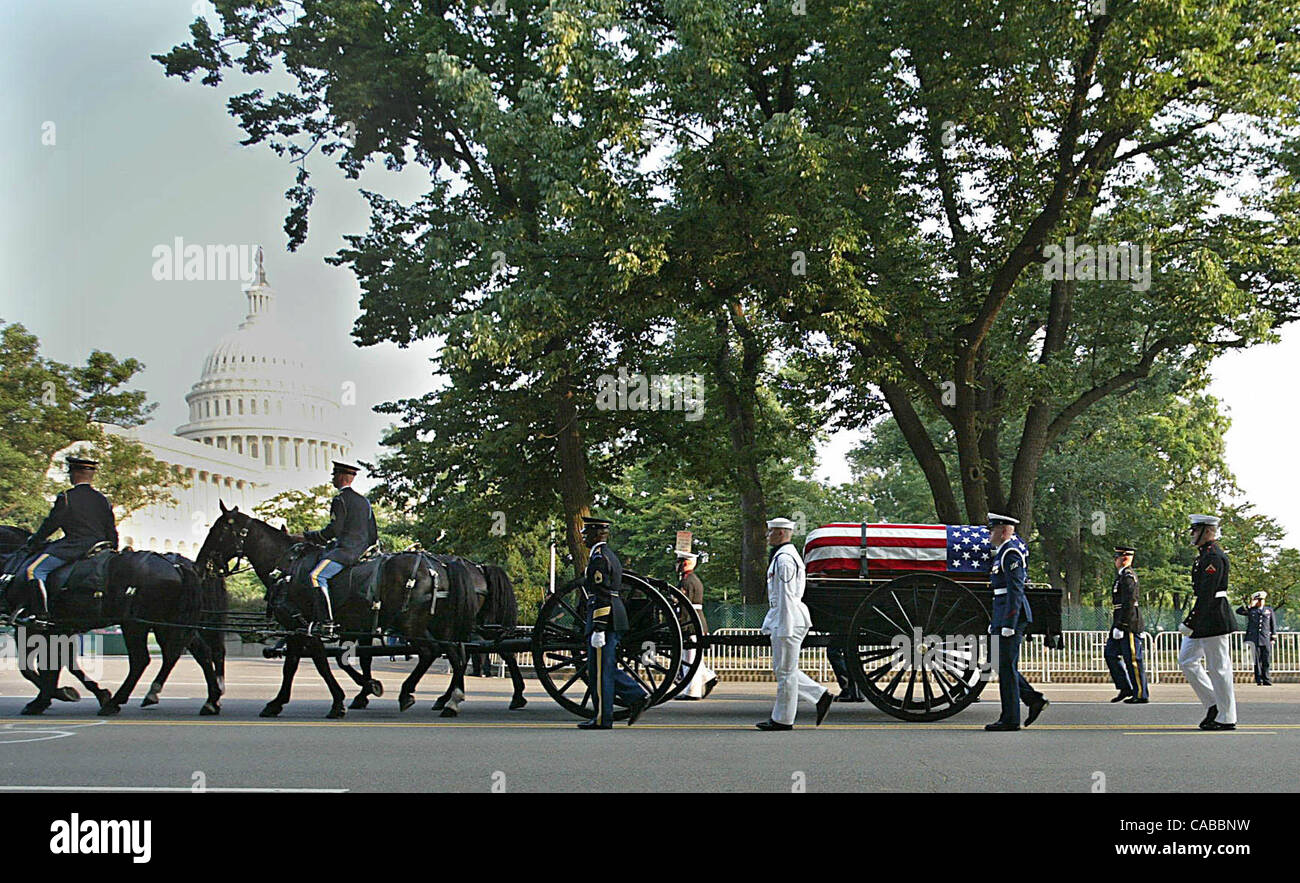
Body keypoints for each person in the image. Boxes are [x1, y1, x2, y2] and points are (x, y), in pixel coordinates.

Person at [15, 456, 117, 625]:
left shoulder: (67, 497)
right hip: (100, 547)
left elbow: (52, 524)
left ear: (74, 474)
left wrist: (35, 541)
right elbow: (111, 528)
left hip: (73, 547)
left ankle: (40, 614)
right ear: (90, 475)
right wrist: (113, 548)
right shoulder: (102, 499)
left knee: (34, 570)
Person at [757, 517, 832, 731]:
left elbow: (787, 596)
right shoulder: (783, 556)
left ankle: (783, 719)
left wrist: (784, 626)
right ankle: (819, 695)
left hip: (788, 618)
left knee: (785, 672)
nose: (767, 535)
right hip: (785, 617)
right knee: (784, 669)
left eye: (771, 532)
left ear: (781, 533)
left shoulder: (785, 559)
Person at [577, 516, 647, 729]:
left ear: (598, 534)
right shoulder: (605, 555)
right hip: (611, 618)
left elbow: (602, 595)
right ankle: (635, 696)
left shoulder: (599, 558)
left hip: (605, 620)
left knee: (600, 671)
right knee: (601, 668)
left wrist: (598, 627)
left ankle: (602, 718)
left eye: (587, 533)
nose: (583, 537)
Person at [296, 461, 378, 640]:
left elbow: (334, 531)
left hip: (346, 552)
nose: (332, 478)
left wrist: (311, 536)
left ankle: (327, 623)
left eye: (334, 475)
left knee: (316, 576)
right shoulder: (364, 501)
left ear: (341, 477)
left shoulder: (340, 499)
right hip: (363, 552)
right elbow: (373, 533)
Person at [984, 513, 1049, 732]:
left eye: (993, 530)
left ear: (1003, 531)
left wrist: (1010, 623)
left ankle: (1010, 718)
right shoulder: (1002, 553)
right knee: (998, 662)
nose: (989, 533)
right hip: (1002, 616)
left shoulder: (1010, 553)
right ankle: (1032, 700)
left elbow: (1015, 590)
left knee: (1007, 668)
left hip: (1012, 616)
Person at [1179, 513, 1237, 731]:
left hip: (1213, 616)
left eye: (1195, 530)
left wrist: (1191, 620)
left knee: (1219, 667)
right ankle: (1214, 703)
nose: (1192, 534)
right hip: (1205, 616)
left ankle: (1227, 716)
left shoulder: (1213, 557)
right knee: (1186, 661)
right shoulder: (1204, 555)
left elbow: (1208, 593)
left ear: (1207, 531)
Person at [1104, 545, 1149, 704]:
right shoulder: (1121, 576)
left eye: (1116, 557)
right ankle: (1125, 687)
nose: (1115, 561)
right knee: (1110, 653)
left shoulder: (1128, 576)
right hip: (1120, 620)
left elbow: (1129, 602)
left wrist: (1122, 625)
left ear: (1124, 558)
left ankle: (1141, 693)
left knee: (1133, 659)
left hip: (1129, 623)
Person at [674, 550, 718, 700]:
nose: (676, 565)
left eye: (679, 562)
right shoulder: (692, 579)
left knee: (690, 659)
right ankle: (707, 676)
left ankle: (692, 691)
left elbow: (684, 606)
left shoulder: (687, 581)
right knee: (693, 658)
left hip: (691, 623)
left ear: (684, 563)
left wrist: (681, 625)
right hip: (696, 621)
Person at [1237, 591, 1277, 686]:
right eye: (1259, 600)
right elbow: (1238, 611)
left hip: (1265, 638)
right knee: (1256, 660)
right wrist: (1250, 606)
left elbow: (1273, 624)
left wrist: (1273, 637)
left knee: (1266, 659)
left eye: (1262, 600)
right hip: (1254, 639)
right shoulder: (1251, 610)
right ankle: (1259, 679)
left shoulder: (1269, 610)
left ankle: (1266, 679)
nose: (1261, 602)